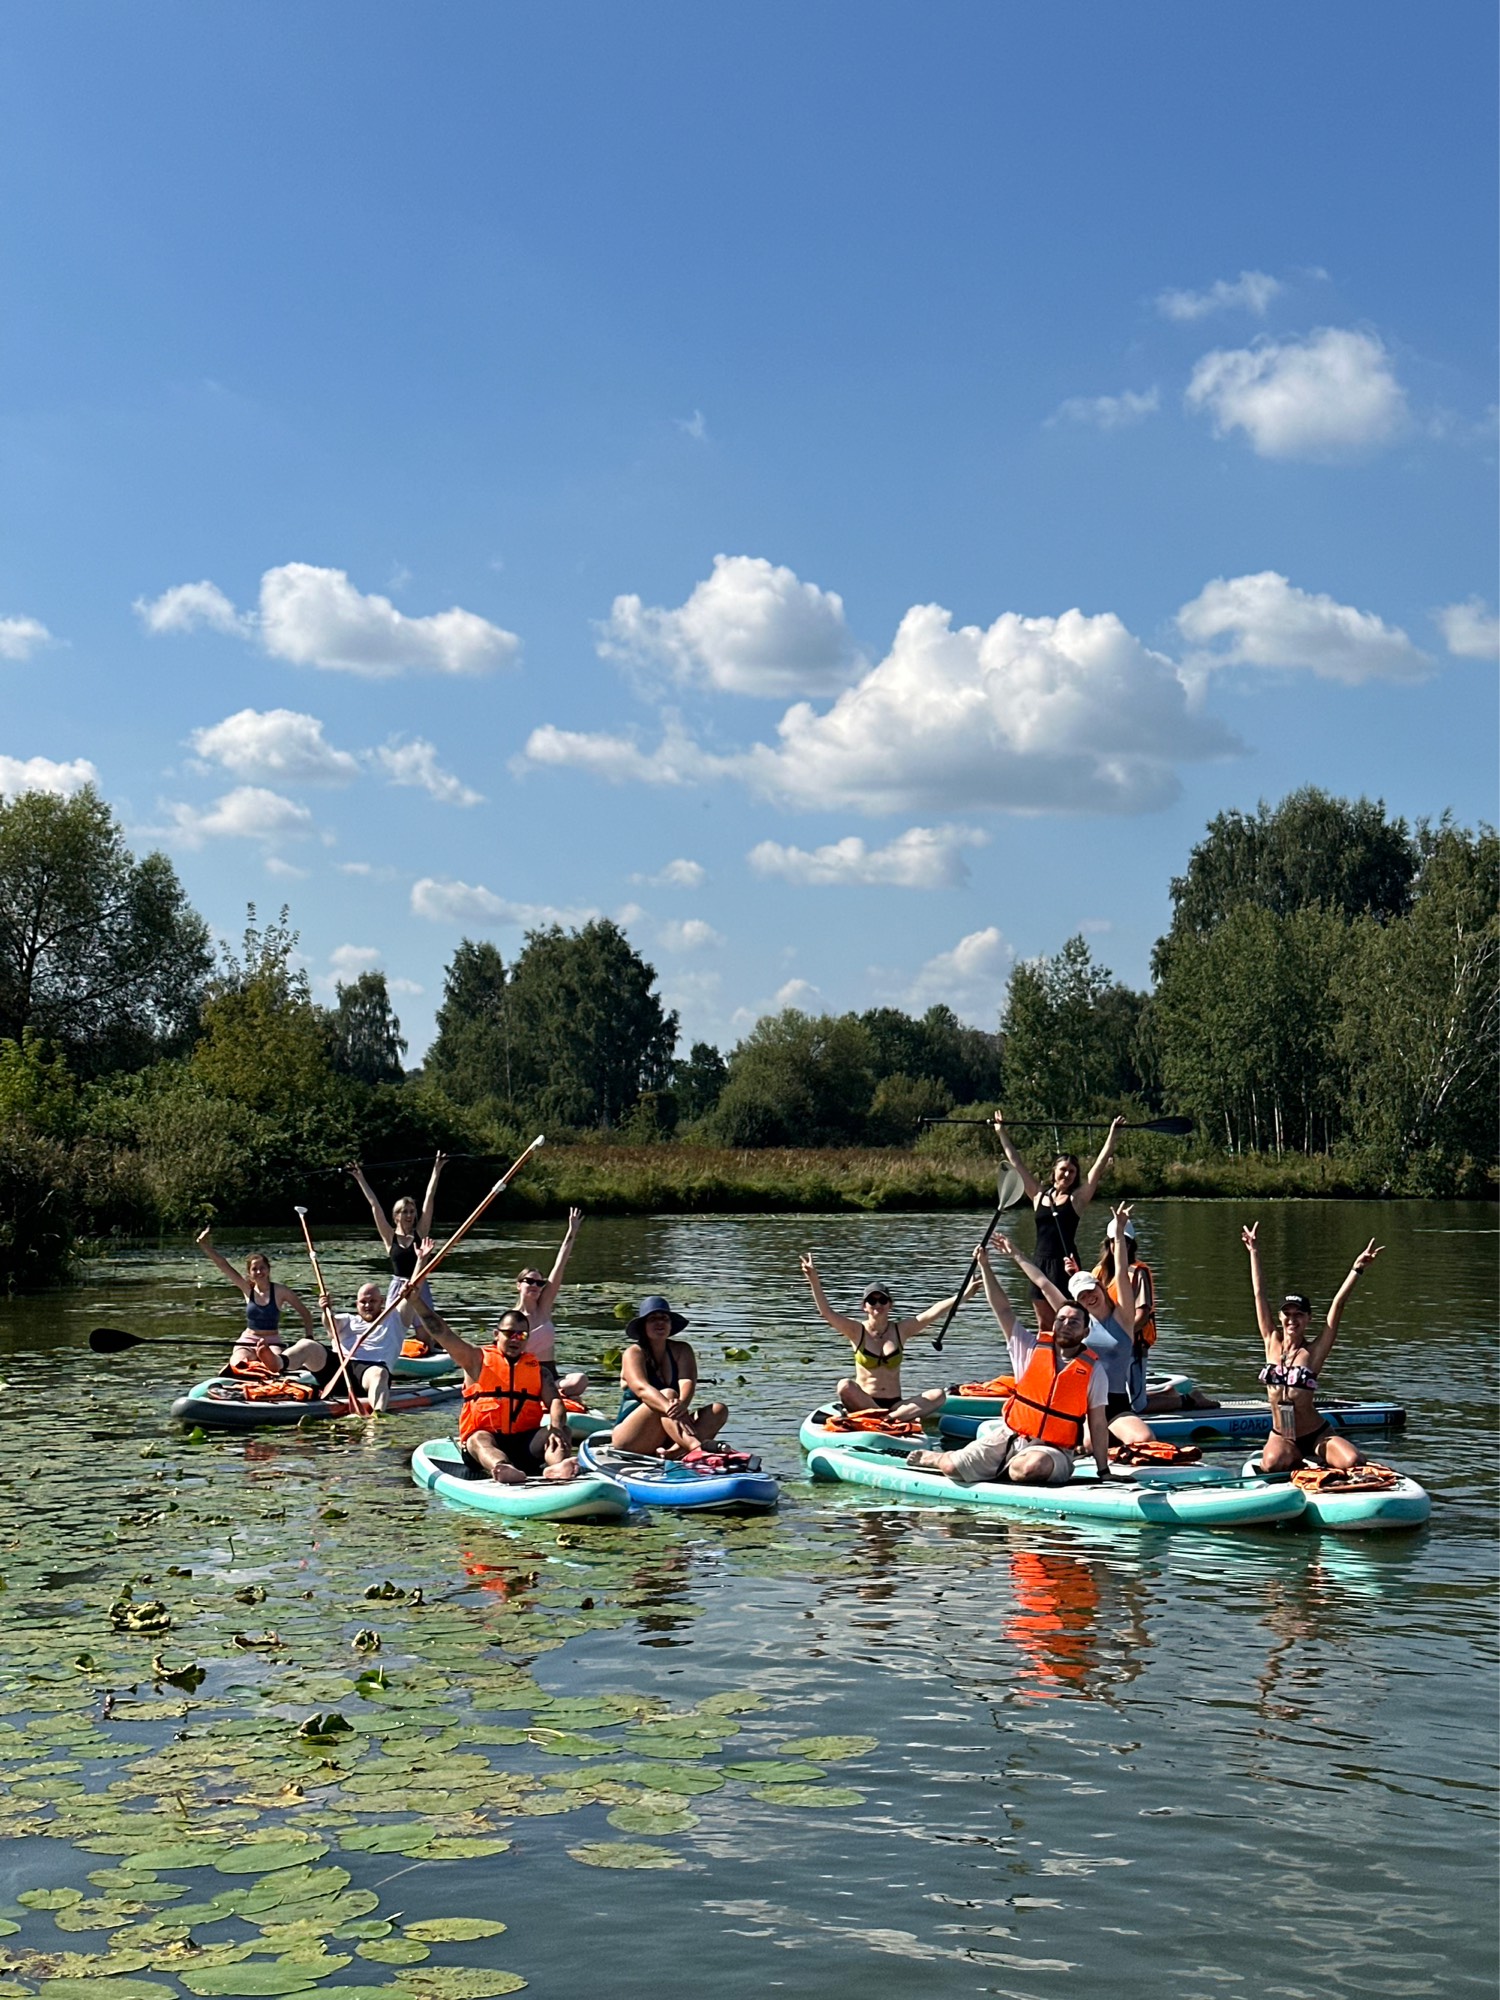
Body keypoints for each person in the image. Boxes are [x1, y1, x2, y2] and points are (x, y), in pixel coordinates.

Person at [907, 1240, 1113, 1486]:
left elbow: (1098, 1423)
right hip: (1010, 1436)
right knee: (952, 1467)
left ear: (1086, 1331)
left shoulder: (1093, 1371)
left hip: (1052, 1449)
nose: (1066, 1326)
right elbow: (1004, 1310)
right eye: (1061, 1320)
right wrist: (985, 1266)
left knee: (1029, 1467)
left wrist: (1103, 1471)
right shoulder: (1029, 1349)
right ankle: (937, 1458)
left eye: (1074, 1322)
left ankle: (1002, 1469)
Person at [994, 1210, 1156, 1447]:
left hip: (1116, 1402)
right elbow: (1043, 1282)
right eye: (1082, 1296)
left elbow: (1121, 1270)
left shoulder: (1123, 1317)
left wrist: (1119, 1233)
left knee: (1144, 1438)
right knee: (1090, 1444)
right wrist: (1015, 1254)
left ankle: (1105, 1449)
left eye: (1092, 1290)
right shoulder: (1077, 1319)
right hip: (1081, 1402)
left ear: (1100, 1287)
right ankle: (1082, 1447)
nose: (1089, 1297)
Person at [1242, 1222, 1382, 1473]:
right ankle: (1296, 1462)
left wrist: (1357, 1269)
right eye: (1287, 1314)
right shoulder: (1271, 1341)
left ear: (1308, 1319)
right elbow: (1259, 1294)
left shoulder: (1314, 1352)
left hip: (1316, 1434)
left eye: (1299, 1314)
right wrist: (1254, 1251)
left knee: (1353, 1462)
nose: (1292, 1319)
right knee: (1272, 1463)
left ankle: (1320, 1460)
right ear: (1281, 1316)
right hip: (1281, 1435)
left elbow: (1337, 1305)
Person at [414, 1301, 580, 1484]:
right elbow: (441, 1332)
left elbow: (555, 1403)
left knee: (562, 1429)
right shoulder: (475, 1361)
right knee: (478, 1438)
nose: (515, 1339)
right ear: (496, 1334)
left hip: (525, 1444)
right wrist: (416, 1302)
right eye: (509, 1333)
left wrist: (555, 1428)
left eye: (521, 1334)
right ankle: (501, 1467)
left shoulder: (539, 1372)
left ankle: (557, 1466)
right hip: (486, 1445)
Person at [799, 1254, 976, 1423]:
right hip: (864, 1404)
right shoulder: (856, 1330)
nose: (877, 1305)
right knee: (844, 1385)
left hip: (896, 1405)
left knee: (938, 1395)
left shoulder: (901, 1330)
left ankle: (888, 1419)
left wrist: (965, 1294)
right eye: (872, 1301)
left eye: (882, 1300)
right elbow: (826, 1313)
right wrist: (813, 1279)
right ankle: (888, 1418)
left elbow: (933, 1312)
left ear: (890, 1304)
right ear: (864, 1307)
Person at [992, 1111, 1125, 1329]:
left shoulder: (1077, 1199)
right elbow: (1016, 1162)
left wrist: (1113, 1135)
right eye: (1063, 1170)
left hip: (1066, 1266)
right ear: (1054, 1171)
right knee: (1044, 1324)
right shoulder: (1038, 1195)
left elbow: (1098, 1167)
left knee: (1069, 1321)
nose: (1067, 1175)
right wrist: (1001, 1131)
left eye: (1072, 1172)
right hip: (1040, 1263)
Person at [1091, 1217, 1219, 1414]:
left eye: (1125, 1242)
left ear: (1131, 1245)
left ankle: (1189, 1399)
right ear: (1108, 1245)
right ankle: (1168, 1394)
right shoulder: (1099, 1272)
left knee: (1136, 1407)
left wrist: (1122, 1336)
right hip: (1109, 1346)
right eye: (1115, 1242)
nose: (1120, 1247)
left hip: (1133, 1344)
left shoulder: (1138, 1273)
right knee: (1115, 1396)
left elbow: (1142, 1314)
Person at [195, 1229, 327, 1379]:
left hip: (272, 1341)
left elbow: (305, 1313)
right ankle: (241, 1371)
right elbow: (223, 1265)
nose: (259, 1272)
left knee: (275, 1363)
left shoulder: (280, 1291)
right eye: (254, 1269)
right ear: (249, 1274)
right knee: (240, 1362)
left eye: (262, 1268)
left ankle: (268, 1372)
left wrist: (309, 1336)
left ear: (268, 1269)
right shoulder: (247, 1289)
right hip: (248, 1340)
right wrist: (204, 1245)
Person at [612, 1296, 727, 1456]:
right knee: (667, 1394)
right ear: (643, 1326)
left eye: (664, 1318)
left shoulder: (682, 1350)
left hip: (670, 1431)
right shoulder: (633, 1353)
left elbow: (687, 1380)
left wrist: (683, 1404)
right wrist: (670, 1407)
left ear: (670, 1324)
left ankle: (674, 1452)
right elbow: (641, 1388)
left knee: (718, 1410)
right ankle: (696, 1448)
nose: (660, 1322)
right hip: (631, 1437)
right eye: (653, 1319)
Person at [348, 1153, 448, 1335]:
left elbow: (429, 1198)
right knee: (392, 1328)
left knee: (424, 1332)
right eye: (404, 1212)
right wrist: (360, 1178)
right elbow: (374, 1206)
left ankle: (428, 1348)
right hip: (398, 1286)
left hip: (419, 1285)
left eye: (411, 1211)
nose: (409, 1215)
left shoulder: (420, 1233)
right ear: (396, 1216)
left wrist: (436, 1169)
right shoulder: (389, 1236)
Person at [513, 1208, 588, 1403]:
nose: (535, 1286)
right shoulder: (513, 1318)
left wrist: (571, 1231)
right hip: (525, 1375)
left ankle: (553, 1395)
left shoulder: (544, 1307)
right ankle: (546, 1397)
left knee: (579, 1380)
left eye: (539, 1283)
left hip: (551, 1376)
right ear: (519, 1284)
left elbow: (560, 1264)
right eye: (530, 1281)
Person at [320, 1280, 404, 1413]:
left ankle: (377, 1417)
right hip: (338, 1369)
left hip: (367, 1374)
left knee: (380, 1373)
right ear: (356, 1304)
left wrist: (421, 1262)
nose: (367, 1305)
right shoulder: (347, 1319)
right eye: (363, 1302)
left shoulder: (393, 1319)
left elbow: (412, 1293)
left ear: (381, 1302)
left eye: (372, 1301)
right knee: (307, 1345)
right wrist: (326, 1310)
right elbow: (331, 1325)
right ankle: (278, 1368)